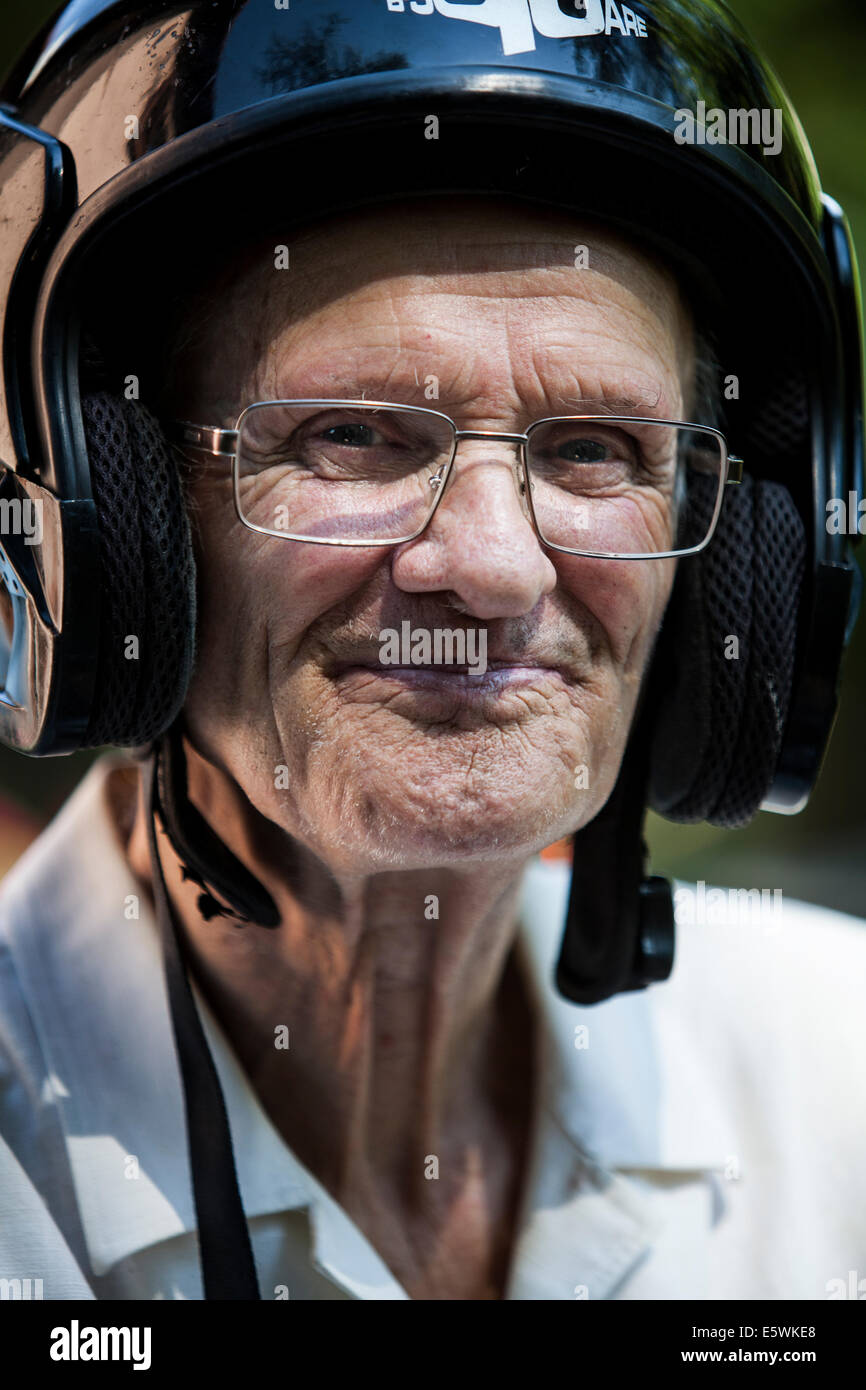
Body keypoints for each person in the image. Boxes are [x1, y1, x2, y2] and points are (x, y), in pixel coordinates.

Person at [0, 0, 863, 1302]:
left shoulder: (836, 1061)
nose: (492, 564)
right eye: (352, 433)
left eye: (591, 449)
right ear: (109, 516)